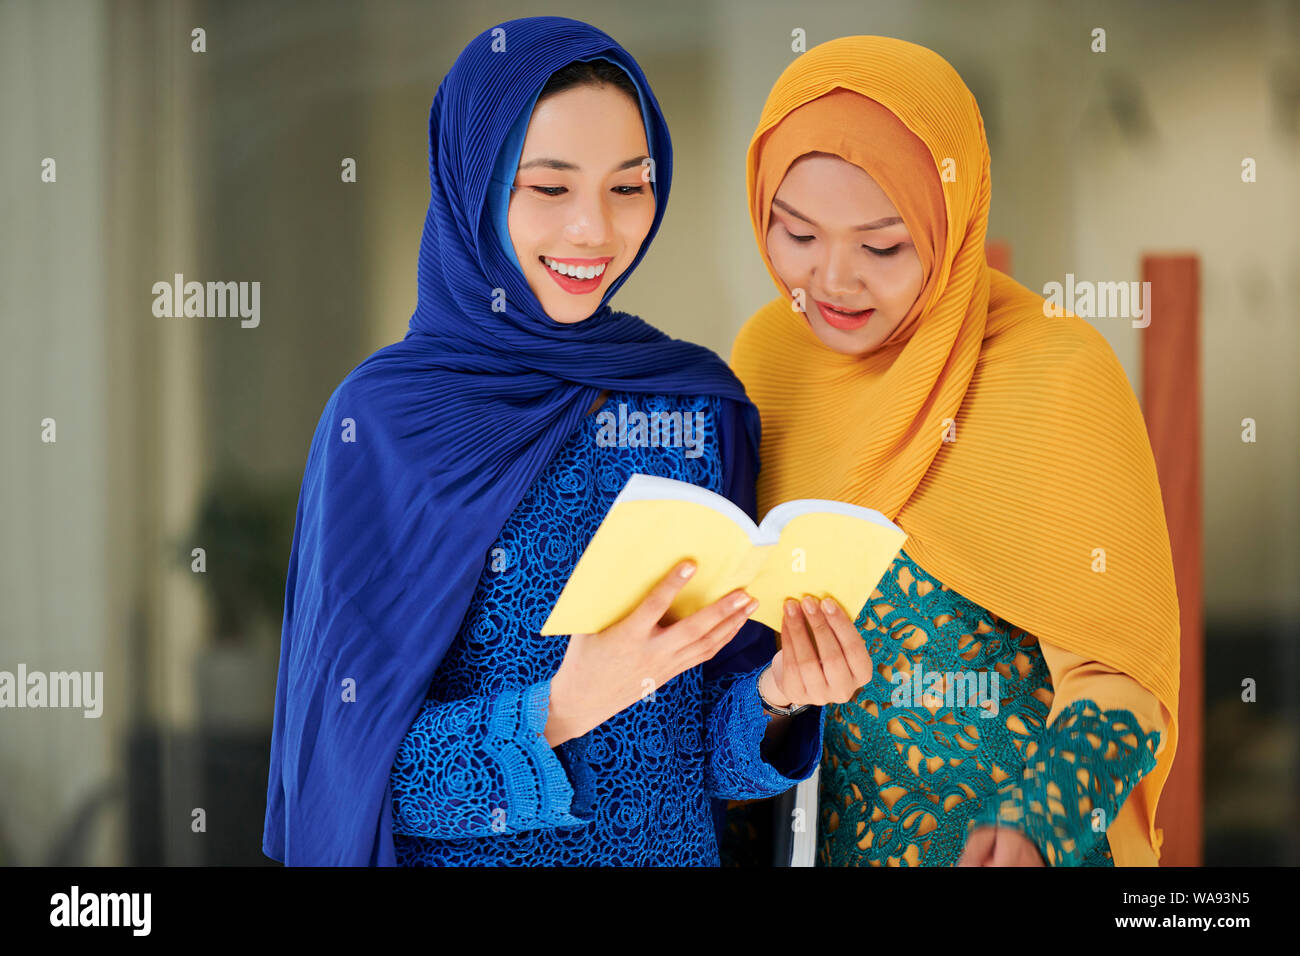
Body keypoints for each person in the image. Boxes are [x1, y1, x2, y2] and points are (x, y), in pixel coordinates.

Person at [262, 16, 871, 867]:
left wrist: (779, 697)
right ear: (474, 187)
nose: (594, 230)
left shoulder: (697, 403)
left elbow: (709, 755)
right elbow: (344, 783)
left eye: (629, 186)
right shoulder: (386, 423)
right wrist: (561, 707)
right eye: (549, 189)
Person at [728, 35, 1180, 866]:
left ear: (953, 220)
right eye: (796, 235)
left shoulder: (1056, 373)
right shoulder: (764, 362)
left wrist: (1038, 825)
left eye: (883, 245)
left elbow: (1125, 680)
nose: (832, 281)